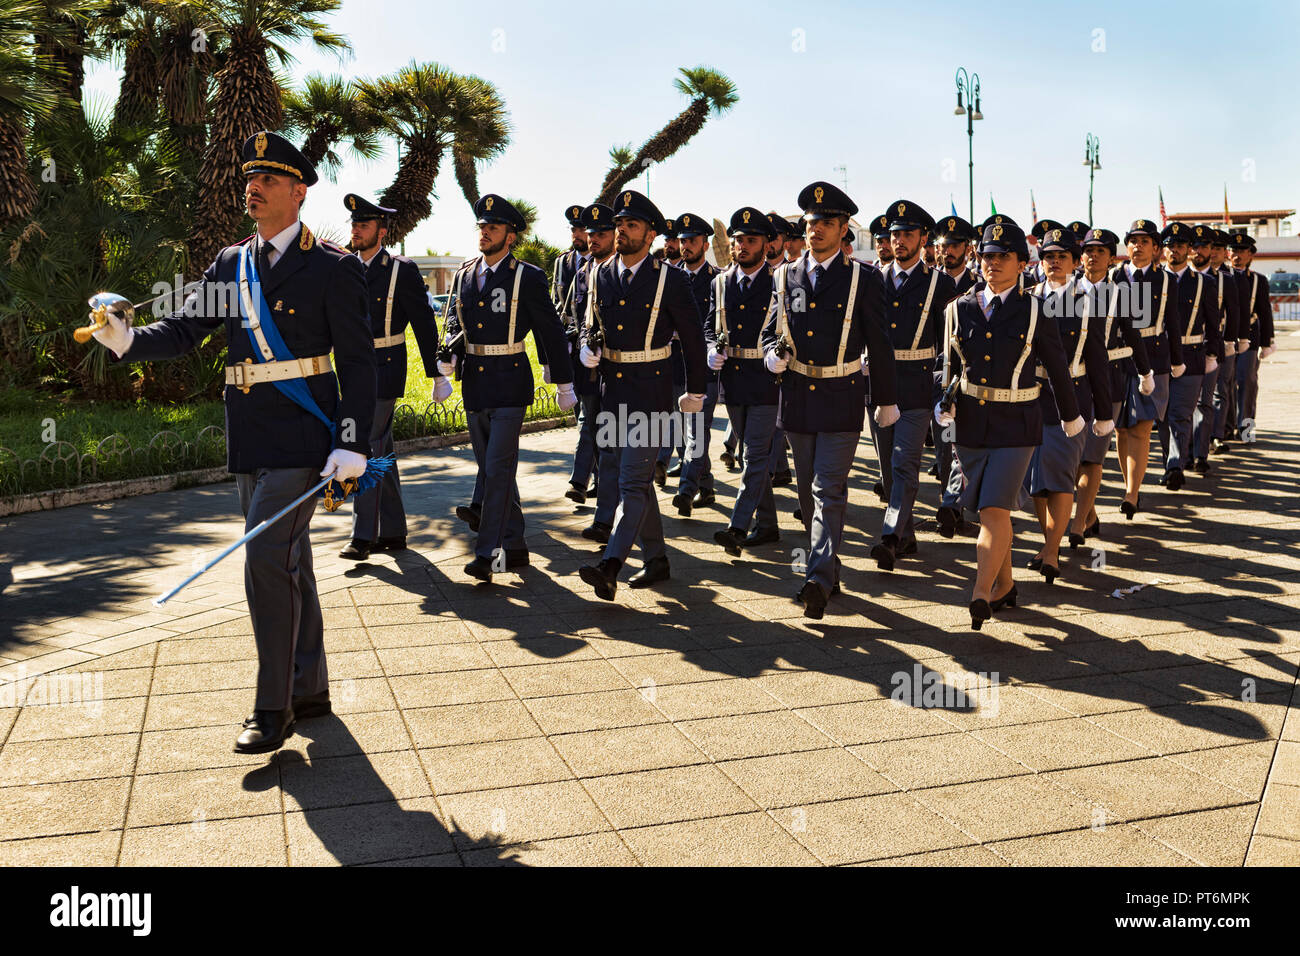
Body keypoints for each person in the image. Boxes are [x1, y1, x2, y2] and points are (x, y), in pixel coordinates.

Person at [88, 131, 375, 753]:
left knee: (265, 558)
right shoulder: (229, 263)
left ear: (298, 192)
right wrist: (126, 338)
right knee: (287, 560)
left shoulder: (334, 266)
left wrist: (353, 444)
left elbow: (358, 365)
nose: (253, 188)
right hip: (250, 435)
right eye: (250, 179)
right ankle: (311, 685)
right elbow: (188, 329)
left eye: (268, 179)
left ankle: (273, 707)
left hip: (306, 436)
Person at [761, 181, 899, 619]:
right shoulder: (784, 276)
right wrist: (770, 355)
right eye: (811, 221)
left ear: (844, 231)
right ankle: (829, 565)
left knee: (827, 489)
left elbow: (879, 344)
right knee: (805, 494)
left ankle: (818, 577)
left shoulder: (864, 277)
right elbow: (769, 330)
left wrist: (885, 399)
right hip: (798, 396)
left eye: (826, 222)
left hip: (841, 395)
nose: (816, 229)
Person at [936, 220, 1083, 629]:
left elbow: (1057, 367)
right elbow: (945, 366)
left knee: (993, 509)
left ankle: (980, 592)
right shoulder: (958, 308)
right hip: (970, 426)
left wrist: (1072, 416)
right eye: (987, 256)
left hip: (1017, 424)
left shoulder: (1035, 310)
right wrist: (941, 402)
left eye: (1003, 257)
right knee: (988, 514)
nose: (993, 263)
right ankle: (1005, 586)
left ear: (1022, 263)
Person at [436, 194, 577, 582]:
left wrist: (563, 381)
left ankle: (488, 554)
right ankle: (515, 544)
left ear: (510, 236)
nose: (484, 232)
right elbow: (453, 321)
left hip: (511, 380)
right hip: (476, 383)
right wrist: (445, 359)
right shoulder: (464, 274)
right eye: (482, 226)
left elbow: (550, 329)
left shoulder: (527, 277)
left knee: (497, 469)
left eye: (493, 227)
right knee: (494, 469)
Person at [577, 190, 708, 599]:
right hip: (612, 390)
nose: (621, 231)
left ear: (650, 234)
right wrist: (587, 345)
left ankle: (611, 564)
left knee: (631, 483)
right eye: (619, 225)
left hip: (651, 391)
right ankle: (656, 559)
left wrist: (697, 391)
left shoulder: (671, 277)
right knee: (630, 479)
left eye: (631, 226)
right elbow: (589, 322)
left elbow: (692, 339)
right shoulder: (600, 272)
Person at [339, 193, 446, 561]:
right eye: (353, 224)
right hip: (350, 367)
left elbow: (423, 324)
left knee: (364, 445)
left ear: (381, 231)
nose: (356, 230)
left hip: (385, 366)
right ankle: (395, 530)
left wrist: (437, 374)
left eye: (363, 224)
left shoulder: (401, 269)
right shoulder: (342, 266)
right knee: (380, 449)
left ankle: (362, 535)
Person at [869, 200, 956, 570]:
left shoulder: (940, 283)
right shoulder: (873, 278)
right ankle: (906, 537)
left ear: (923, 238)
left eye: (907, 234)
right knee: (888, 469)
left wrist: (943, 391)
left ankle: (889, 536)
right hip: (878, 385)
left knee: (906, 463)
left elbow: (949, 345)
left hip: (918, 385)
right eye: (895, 234)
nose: (899, 241)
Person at [1024, 227, 1110, 583]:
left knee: (1060, 479)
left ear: (1075, 263)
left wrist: (1104, 412)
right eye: (1048, 256)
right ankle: (1050, 543)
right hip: (1031, 398)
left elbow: (1098, 358)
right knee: (1036, 483)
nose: (1054, 262)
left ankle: (1052, 551)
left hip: (1072, 400)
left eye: (1062, 256)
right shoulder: (1025, 298)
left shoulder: (1089, 302)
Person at [1068, 227, 1151, 546]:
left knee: (1093, 456)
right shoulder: (1063, 290)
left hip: (1109, 381)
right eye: (1088, 250)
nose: (1092, 256)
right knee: (1072, 459)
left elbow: (1133, 336)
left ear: (1111, 257)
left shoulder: (1121, 294)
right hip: (1071, 383)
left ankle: (1077, 525)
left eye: (1100, 251)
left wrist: (1146, 373)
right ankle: (1088, 514)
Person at [706, 207, 781, 556]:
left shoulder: (780, 281)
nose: (743, 246)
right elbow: (710, 325)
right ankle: (767, 525)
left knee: (753, 454)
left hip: (767, 381)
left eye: (752, 240)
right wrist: (711, 348)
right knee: (754, 456)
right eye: (738, 240)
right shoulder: (720, 283)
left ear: (766, 244)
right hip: (733, 380)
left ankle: (738, 525)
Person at [1114, 218, 1183, 519]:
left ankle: (1131, 493)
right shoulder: (1113, 277)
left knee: (1142, 427)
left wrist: (1177, 361)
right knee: (1120, 430)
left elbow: (1174, 324)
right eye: (1133, 240)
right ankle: (1131, 485)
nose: (1138, 246)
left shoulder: (1166, 280)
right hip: (1118, 359)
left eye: (1145, 241)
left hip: (1153, 360)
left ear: (1156, 248)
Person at [1155, 221, 1220, 494]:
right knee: (1161, 416)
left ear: (1189, 249)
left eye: (1180, 245)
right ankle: (1169, 461)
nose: (1174, 251)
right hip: (1159, 357)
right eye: (1169, 246)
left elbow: (1213, 323)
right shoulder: (1154, 281)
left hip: (1192, 356)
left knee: (1181, 414)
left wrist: (1213, 353)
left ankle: (1175, 467)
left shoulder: (1205, 283)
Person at [561, 204, 613, 507]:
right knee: (588, 422)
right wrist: (581, 345)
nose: (591, 239)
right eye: (588, 233)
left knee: (607, 433)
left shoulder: (619, 272)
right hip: (588, 368)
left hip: (619, 369)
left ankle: (599, 492)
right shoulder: (581, 274)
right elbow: (576, 320)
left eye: (598, 234)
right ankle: (581, 481)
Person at [671, 213, 721, 515]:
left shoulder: (716, 280)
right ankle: (707, 485)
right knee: (681, 430)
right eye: (682, 240)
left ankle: (686, 490)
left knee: (697, 430)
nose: (685, 245)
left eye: (692, 240)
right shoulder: (670, 276)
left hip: (703, 368)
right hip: (674, 364)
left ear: (705, 243)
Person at [1191, 226, 1238, 473]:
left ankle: (1207, 447)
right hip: (1182, 348)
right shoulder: (1178, 277)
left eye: (1205, 246)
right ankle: (1185, 452)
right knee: (1183, 404)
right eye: (1195, 246)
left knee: (1213, 397)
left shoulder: (1225, 280)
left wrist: (1231, 341)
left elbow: (1234, 312)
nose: (1199, 251)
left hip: (1214, 343)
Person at [1229, 232, 1274, 445]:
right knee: (1224, 385)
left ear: (1250, 255)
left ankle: (1246, 430)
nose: (1237, 255)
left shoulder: (1258, 280)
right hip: (1224, 338)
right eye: (1234, 251)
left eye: (1241, 251)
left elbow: (1265, 312)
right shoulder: (1220, 277)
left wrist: (1267, 342)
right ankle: (1225, 429)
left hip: (1250, 338)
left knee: (1247, 382)